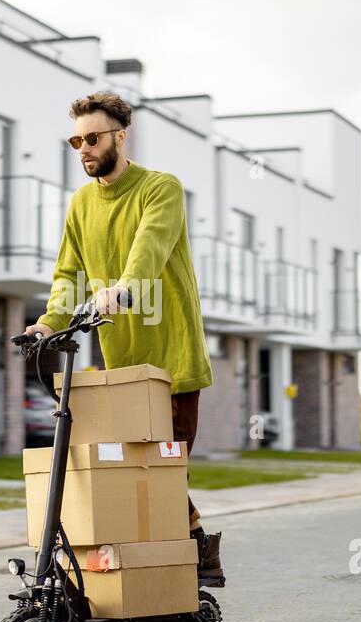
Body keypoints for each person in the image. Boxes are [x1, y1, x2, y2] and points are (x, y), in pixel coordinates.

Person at [23, 91, 225, 585]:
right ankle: (163, 565)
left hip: (171, 364)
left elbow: (149, 247)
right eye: (76, 141)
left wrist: (125, 289)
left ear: (120, 136)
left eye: (92, 138)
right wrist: (49, 322)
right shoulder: (81, 204)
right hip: (121, 367)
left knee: (163, 469)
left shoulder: (161, 188)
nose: (84, 149)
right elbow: (68, 272)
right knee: (128, 471)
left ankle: (195, 557)